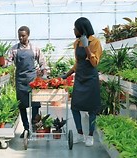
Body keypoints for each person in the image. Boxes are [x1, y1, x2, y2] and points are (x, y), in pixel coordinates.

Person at [60, 17, 102, 146]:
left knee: (92, 109)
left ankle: (90, 136)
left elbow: (95, 63)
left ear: (82, 29)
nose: (73, 30)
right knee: (75, 107)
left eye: (75, 28)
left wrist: (86, 47)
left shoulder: (95, 42)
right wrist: (66, 75)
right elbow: (78, 64)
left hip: (91, 78)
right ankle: (79, 134)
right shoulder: (76, 43)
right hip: (80, 78)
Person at [6, 26, 48, 138]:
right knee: (22, 106)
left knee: (35, 104)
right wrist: (3, 66)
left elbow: (43, 62)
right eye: (19, 35)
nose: (20, 37)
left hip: (32, 80)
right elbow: (8, 63)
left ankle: (34, 127)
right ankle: (26, 129)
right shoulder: (14, 49)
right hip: (20, 80)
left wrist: (44, 75)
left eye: (23, 35)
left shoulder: (35, 48)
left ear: (28, 35)